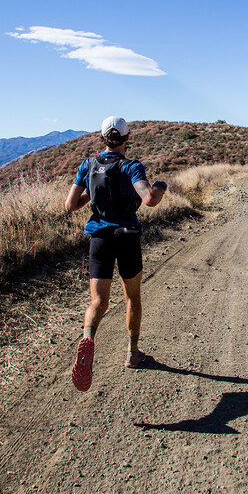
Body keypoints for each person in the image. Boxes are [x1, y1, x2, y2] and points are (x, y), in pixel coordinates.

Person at [64, 116, 167, 392]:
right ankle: (133, 353)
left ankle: (88, 338)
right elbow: (149, 199)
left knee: (98, 301)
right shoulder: (131, 166)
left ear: (102, 138)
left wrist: (94, 198)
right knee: (132, 296)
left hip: (99, 238)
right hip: (127, 237)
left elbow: (70, 204)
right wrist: (160, 185)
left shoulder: (87, 165)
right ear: (127, 138)